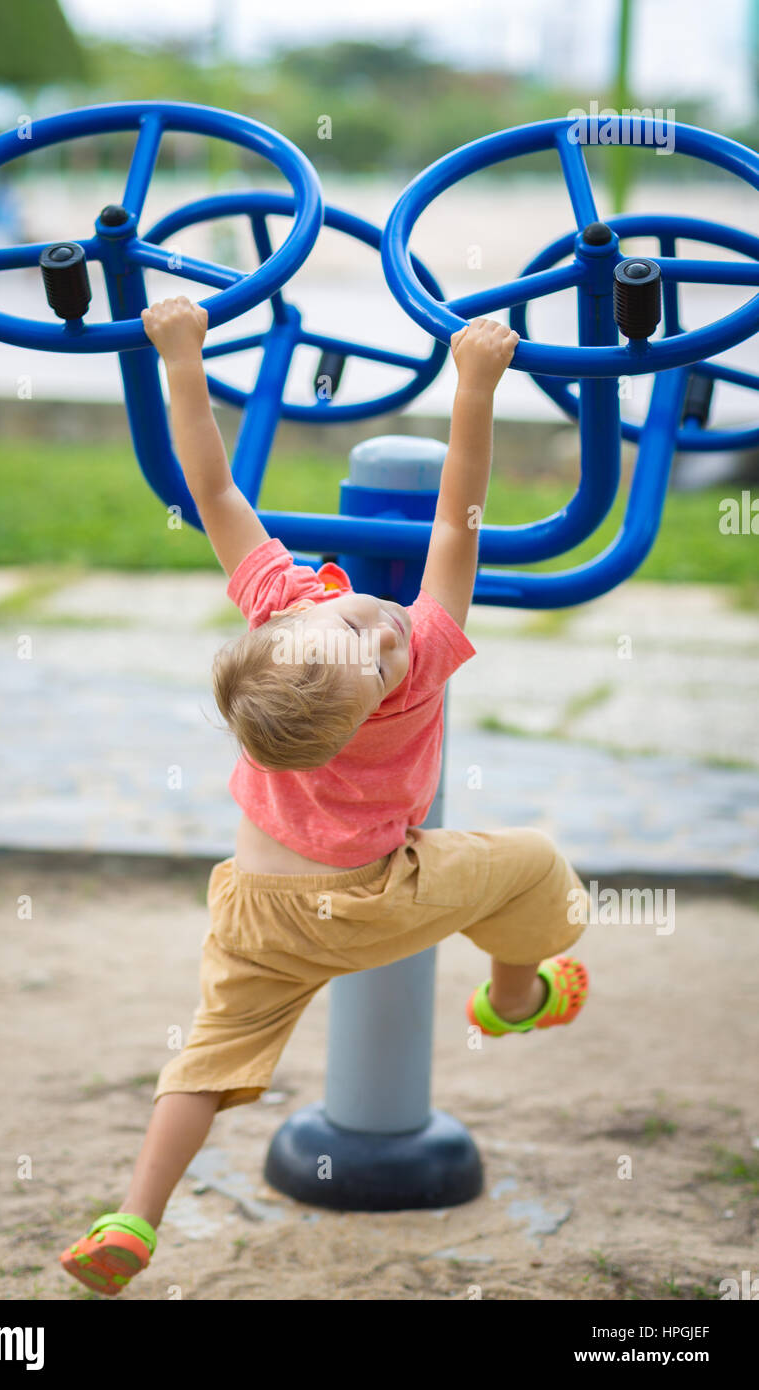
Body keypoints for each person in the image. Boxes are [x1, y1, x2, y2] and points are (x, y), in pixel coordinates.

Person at [59, 298, 590, 1296]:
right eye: (374, 653)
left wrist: (181, 357)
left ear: (285, 618)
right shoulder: (422, 660)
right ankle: (514, 998)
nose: (387, 630)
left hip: (255, 911)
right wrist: (473, 386)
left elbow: (211, 487)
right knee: (529, 866)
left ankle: (135, 1212)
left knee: (205, 1062)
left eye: (370, 633)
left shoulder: (277, 607)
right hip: (370, 900)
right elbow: (456, 514)